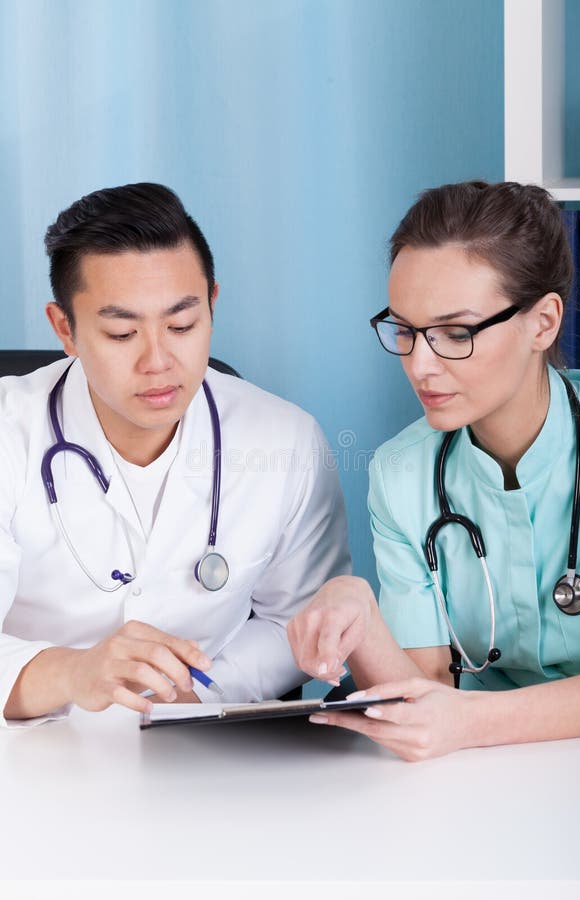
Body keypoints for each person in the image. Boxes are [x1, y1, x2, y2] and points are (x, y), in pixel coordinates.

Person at [0, 182, 350, 727]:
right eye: (121, 333)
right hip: (27, 756)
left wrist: (199, 692)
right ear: (64, 328)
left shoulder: (285, 441)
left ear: (212, 304)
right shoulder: (7, 433)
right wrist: (72, 674)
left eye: (182, 325)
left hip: (193, 757)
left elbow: (298, 624)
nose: (158, 361)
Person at [287, 180, 580, 761]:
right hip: (468, 782)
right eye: (404, 330)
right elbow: (424, 698)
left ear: (544, 322)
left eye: (456, 334)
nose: (419, 364)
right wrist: (356, 609)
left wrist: (473, 721)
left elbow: (454, 720)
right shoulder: (401, 473)